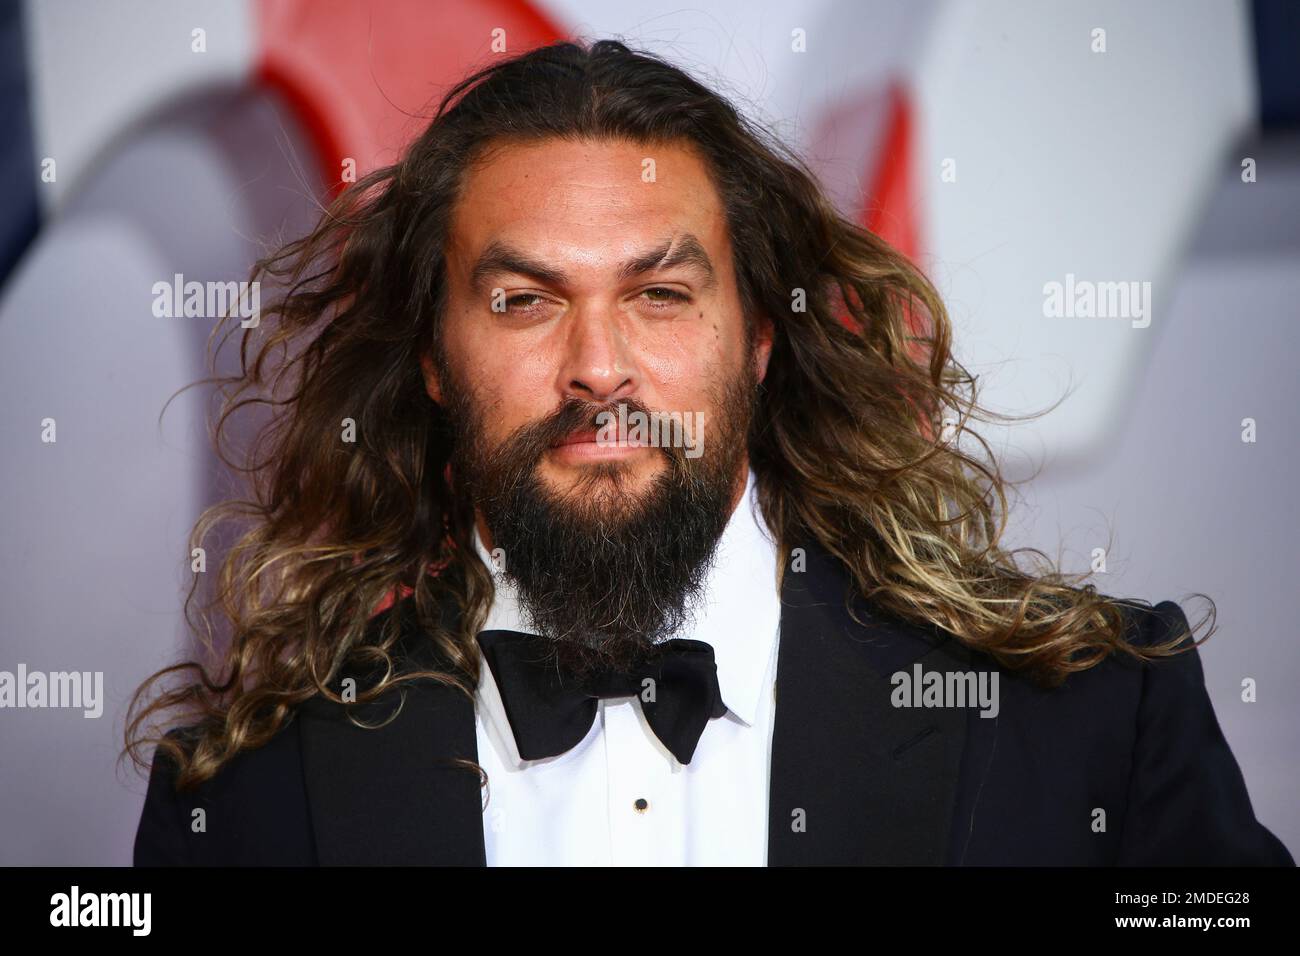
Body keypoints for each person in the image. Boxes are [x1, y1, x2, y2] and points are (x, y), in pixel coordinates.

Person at [127, 39, 1292, 866]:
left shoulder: (1093, 718)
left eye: (662, 294)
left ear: (758, 343)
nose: (598, 365)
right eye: (526, 299)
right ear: (433, 357)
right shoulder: (244, 795)